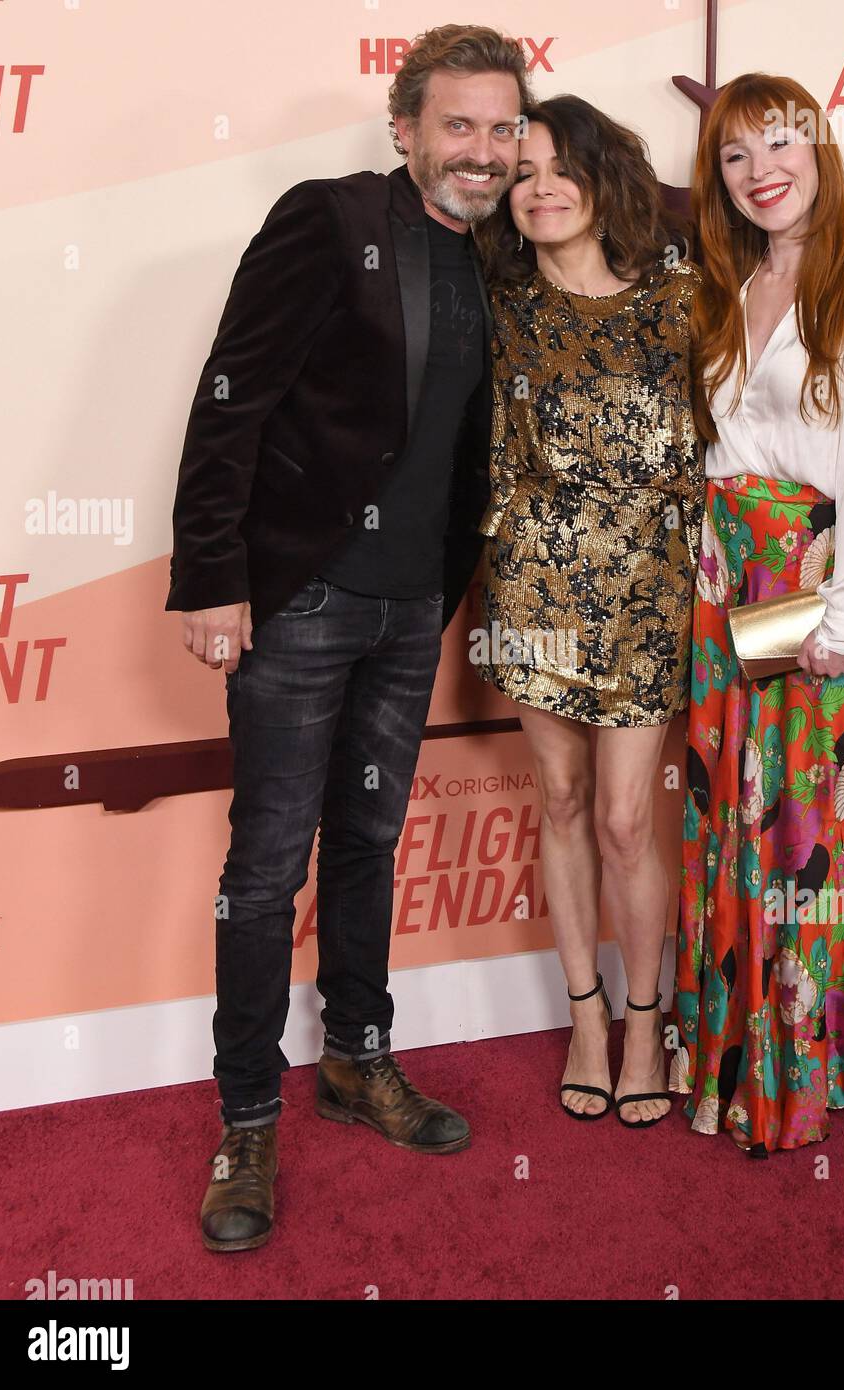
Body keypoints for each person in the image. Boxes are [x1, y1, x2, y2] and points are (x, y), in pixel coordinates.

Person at [165, 25, 530, 1251]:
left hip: (411, 603)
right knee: (266, 867)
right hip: (305, 600)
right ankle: (247, 1116)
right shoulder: (327, 221)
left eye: (501, 127)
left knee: (368, 837)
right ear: (407, 129)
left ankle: (357, 1057)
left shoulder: (501, 255)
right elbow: (231, 396)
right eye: (459, 125)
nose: (481, 150)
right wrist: (210, 580)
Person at [671, 72, 844, 1157]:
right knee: (734, 817)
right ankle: (733, 1053)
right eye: (734, 155)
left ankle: (810, 1064)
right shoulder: (725, 287)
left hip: (812, 589)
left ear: (819, 153)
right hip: (726, 587)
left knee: (806, 834)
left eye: (780, 143)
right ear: (717, 178)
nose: (759, 169)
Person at [472, 96, 704, 1128]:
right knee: (559, 802)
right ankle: (585, 1018)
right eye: (522, 173)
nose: (540, 187)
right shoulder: (492, 300)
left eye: (560, 167)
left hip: (650, 588)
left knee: (621, 817)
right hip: (529, 583)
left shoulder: (685, 297)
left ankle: (647, 1020)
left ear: (606, 177)